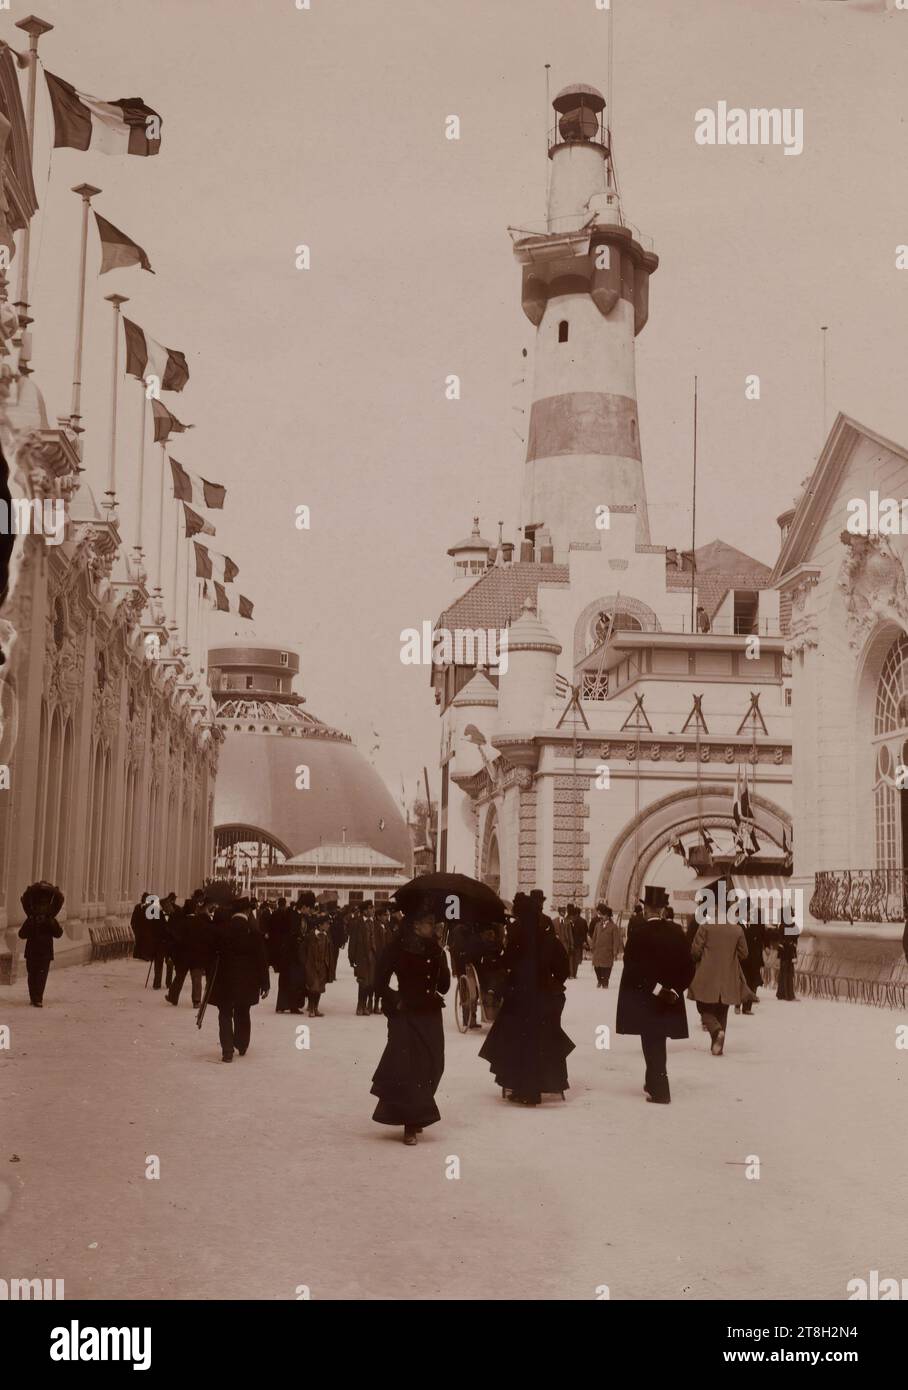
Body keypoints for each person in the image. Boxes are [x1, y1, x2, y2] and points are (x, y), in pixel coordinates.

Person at [478, 891, 574, 1105]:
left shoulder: (516, 934)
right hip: (543, 1000)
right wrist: (553, 983)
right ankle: (538, 1087)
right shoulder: (547, 937)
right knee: (542, 1040)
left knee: (515, 1040)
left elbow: (507, 963)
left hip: (519, 999)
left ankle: (521, 1087)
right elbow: (563, 967)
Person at [371, 908, 451, 1144]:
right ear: (415, 925)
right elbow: (379, 982)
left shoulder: (435, 949)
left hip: (430, 1014)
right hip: (406, 1015)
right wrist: (395, 999)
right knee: (409, 1069)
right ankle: (410, 1122)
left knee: (435, 1064)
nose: (433, 926)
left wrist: (441, 960)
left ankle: (417, 1113)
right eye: (429, 922)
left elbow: (444, 987)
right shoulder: (397, 948)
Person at [616, 904, 694, 1103]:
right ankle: (652, 1082)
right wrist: (676, 989)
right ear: (661, 911)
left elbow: (631, 968)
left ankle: (660, 1090)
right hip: (670, 1000)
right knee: (659, 1041)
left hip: (646, 999)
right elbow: (689, 965)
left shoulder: (638, 933)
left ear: (645, 910)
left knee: (650, 1041)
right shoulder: (677, 932)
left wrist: (656, 989)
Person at [208, 911, 270, 1061]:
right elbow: (262, 961)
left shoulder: (222, 932)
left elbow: (211, 958)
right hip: (247, 984)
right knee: (243, 1012)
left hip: (225, 982)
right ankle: (242, 1044)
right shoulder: (254, 935)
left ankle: (227, 1051)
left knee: (225, 1015)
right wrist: (265, 984)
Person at [688, 905, 748, 1055]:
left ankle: (716, 1031)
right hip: (728, 976)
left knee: (703, 1008)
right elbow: (744, 953)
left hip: (707, 975)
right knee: (723, 1010)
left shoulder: (706, 927)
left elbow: (695, 951)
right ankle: (718, 1045)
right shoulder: (737, 929)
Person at [18, 881, 64, 1007]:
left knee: (41, 975)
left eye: (43, 906)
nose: (41, 910)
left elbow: (59, 933)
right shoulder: (31, 920)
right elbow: (21, 934)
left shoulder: (50, 920)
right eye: (39, 906)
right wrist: (31, 923)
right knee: (32, 974)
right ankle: (34, 997)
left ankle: (38, 998)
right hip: (34, 953)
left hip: (44, 953)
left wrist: (51, 923)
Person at [166, 892, 210, 1008]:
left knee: (179, 977)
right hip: (197, 956)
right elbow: (206, 939)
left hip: (184, 956)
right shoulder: (201, 922)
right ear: (195, 910)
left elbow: (177, 939)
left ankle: (173, 997)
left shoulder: (182, 923)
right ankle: (196, 1001)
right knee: (197, 979)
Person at [275, 905, 307, 1014]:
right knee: (294, 981)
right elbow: (294, 935)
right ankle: (293, 1006)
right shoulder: (296, 917)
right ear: (304, 907)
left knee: (286, 980)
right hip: (292, 954)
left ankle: (282, 1005)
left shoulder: (293, 915)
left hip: (287, 953)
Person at [349, 901, 379, 1015]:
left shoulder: (374, 923)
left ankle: (366, 1005)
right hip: (361, 957)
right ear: (365, 910)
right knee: (362, 982)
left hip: (373, 956)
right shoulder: (357, 923)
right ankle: (360, 1005)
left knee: (370, 982)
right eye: (371, 908)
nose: (373, 910)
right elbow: (352, 942)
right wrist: (351, 959)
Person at [303, 915, 331, 1016]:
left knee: (319, 988)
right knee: (313, 987)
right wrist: (305, 963)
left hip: (323, 965)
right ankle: (311, 1008)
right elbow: (303, 950)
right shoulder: (311, 936)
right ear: (320, 925)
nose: (328, 925)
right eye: (327, 923)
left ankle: (316, 1008)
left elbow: (329, 952)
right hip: (312, 965)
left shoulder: (326, 936)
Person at [590, 904, 622, 987]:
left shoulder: (613, 927)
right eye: (601, 915)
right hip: (598, 950)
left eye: (604, 915)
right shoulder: (597, 925)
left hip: (608, 950)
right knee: (597, 966)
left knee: (607, 967)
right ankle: (600, 980)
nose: (602, 917)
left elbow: (616, 940)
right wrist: (592, 946)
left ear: (608, 916)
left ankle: (605, 981)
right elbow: (594, 937)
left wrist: (615, 951)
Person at [152, 892, 178, 991]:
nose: (170, 906)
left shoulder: (173, 914)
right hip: (160, 942)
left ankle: (169, 983)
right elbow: (154, 929)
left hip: (170, 943)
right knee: (158, 962)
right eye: (167, 905)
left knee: (170, 963)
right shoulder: (157, 916)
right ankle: (157, 983)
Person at [775, 928, 798, 1001]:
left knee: (783, 974)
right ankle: (788, 994)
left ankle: (782, 994)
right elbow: (793, 938)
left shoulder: (783, 926)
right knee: (788, 974)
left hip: (784, 953)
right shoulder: (790, 926)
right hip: (788, 953)